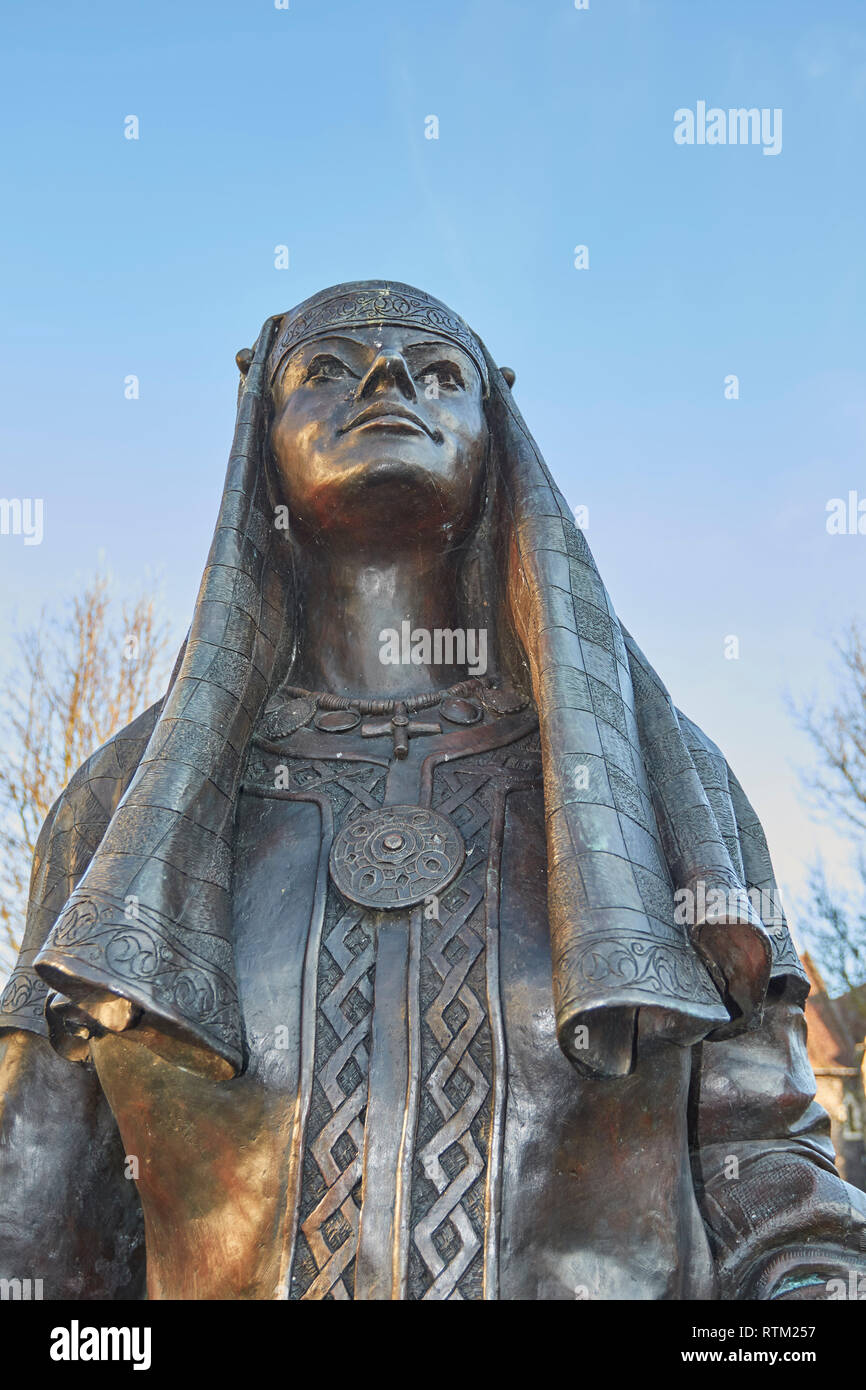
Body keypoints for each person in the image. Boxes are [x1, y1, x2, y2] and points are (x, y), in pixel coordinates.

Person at [2, 281, 865, 1301]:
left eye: (439, 372)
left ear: (493, 436)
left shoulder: (660, 782)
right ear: (258, 434)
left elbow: (771, 1183)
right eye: (324, 368)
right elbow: (36, 1228)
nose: (387, 380)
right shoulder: (125, 809)